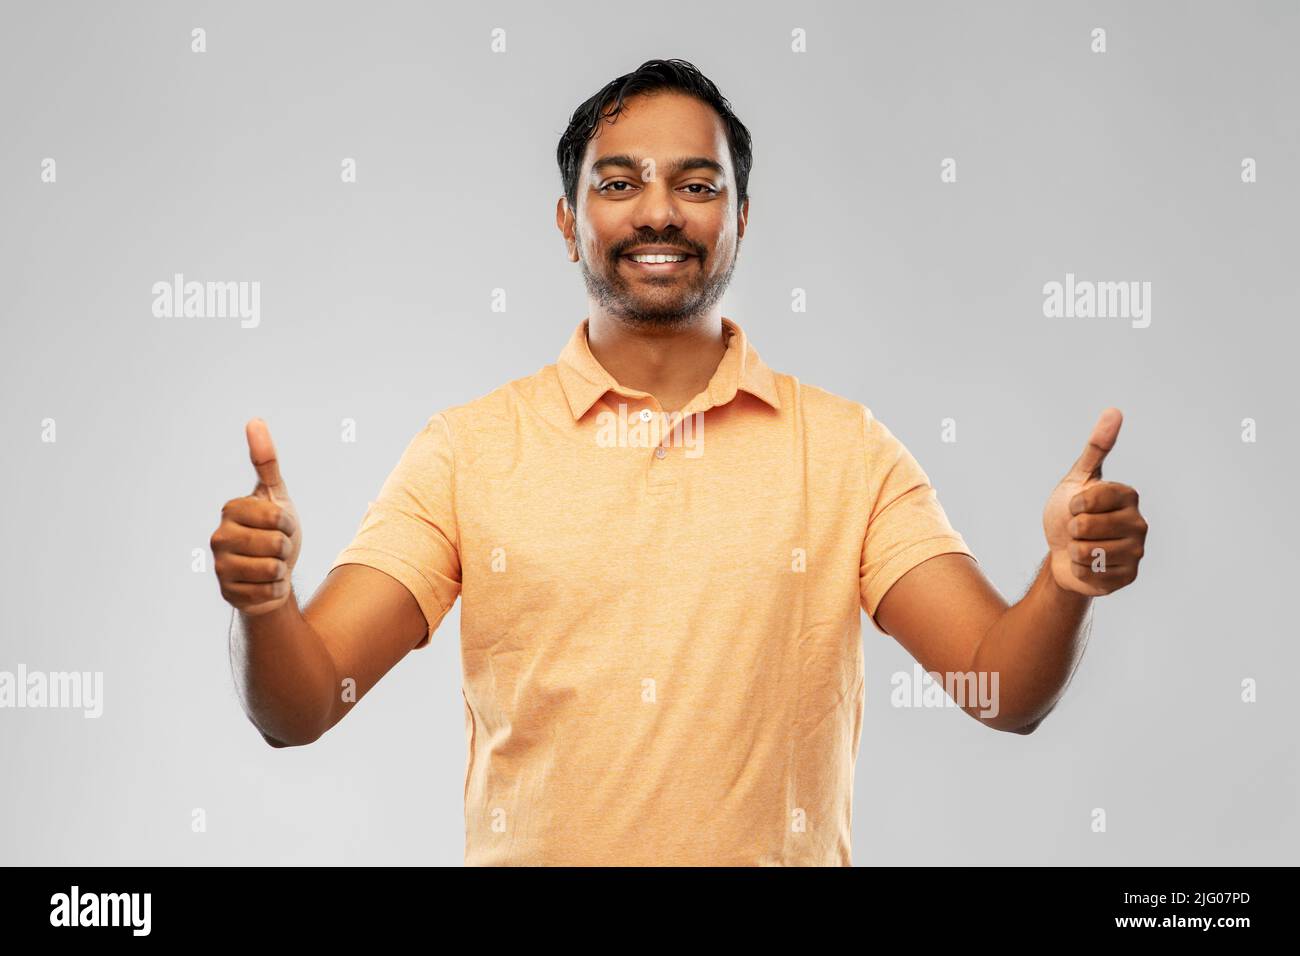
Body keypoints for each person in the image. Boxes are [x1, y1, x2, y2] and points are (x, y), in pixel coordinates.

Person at [210, 59, 1148, 866]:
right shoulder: (467, 451)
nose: (658, 211)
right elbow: (300, 708)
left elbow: (1003, 689)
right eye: (618, 183)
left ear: (742, 216)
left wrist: (1068, 582)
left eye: (697, 185)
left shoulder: (847, 451)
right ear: (569, 223)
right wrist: (264, 607)